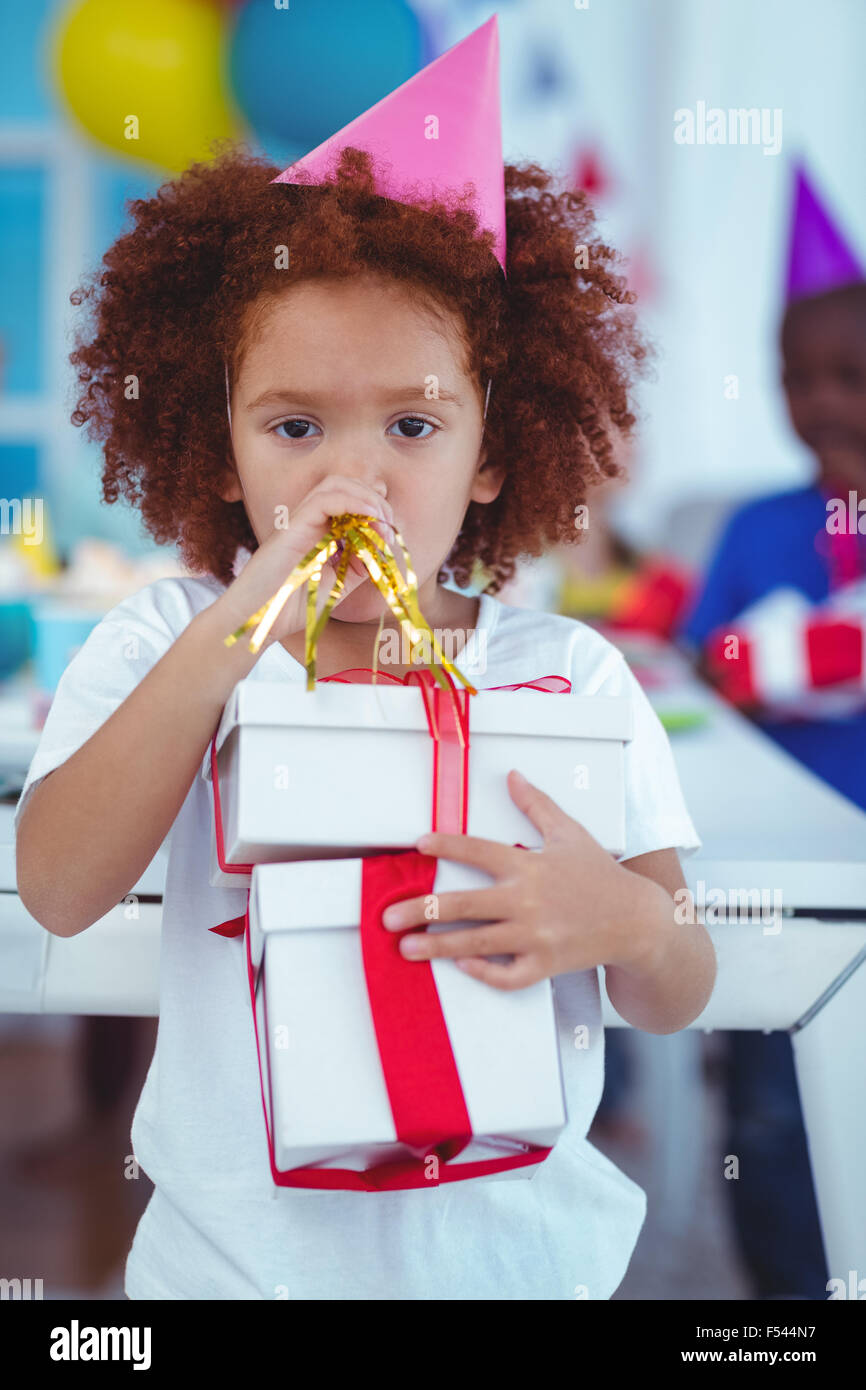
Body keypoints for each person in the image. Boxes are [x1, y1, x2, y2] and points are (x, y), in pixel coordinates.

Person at [14, 19, 711, 1300]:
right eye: (294, 425)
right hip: (227, 1277)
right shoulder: (170, 644)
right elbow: (57, 886)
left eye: (411, 421)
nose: (354, 475)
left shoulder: (571, 674)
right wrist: (240, 629)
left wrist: (620, 922)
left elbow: (675, 979)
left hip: (520, 1270)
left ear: (491, 454)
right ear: (222, 454)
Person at [677, 161, 866, 1299]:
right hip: (772, 884)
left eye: (852, 377)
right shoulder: (756, 527)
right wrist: (770, 657)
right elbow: (708, 668)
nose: (823, 403)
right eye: (799, 380)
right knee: (772, 1107)